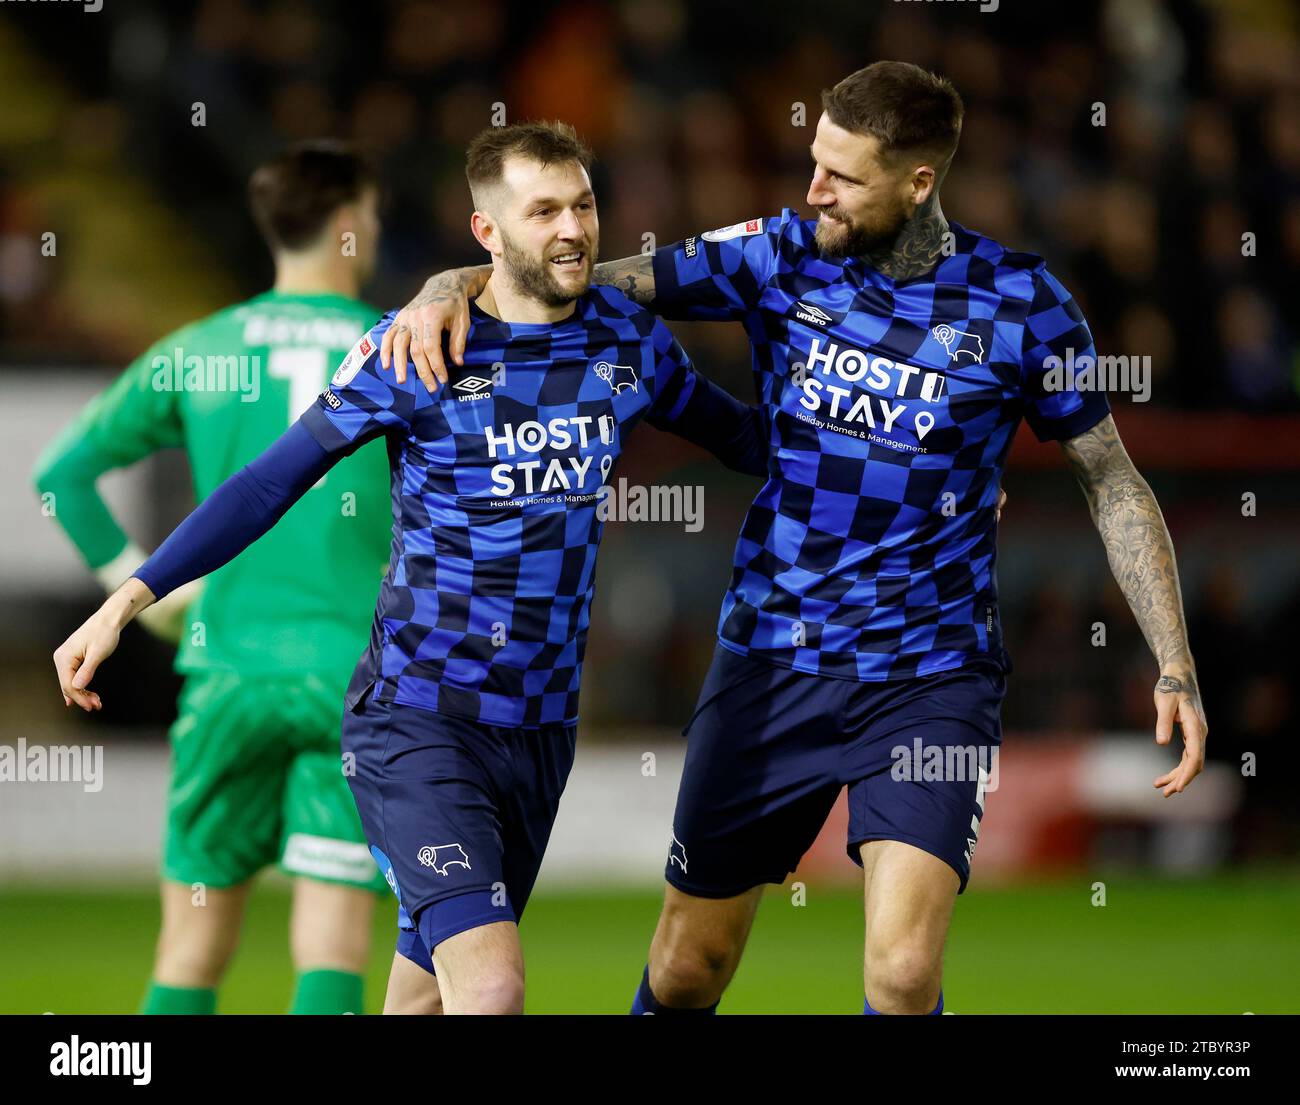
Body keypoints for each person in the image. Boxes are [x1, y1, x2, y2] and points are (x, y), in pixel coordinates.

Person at [380, 62, 1208, 1015]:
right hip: (771, 663)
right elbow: (575, 282)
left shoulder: (1024, 305)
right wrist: (450, 281)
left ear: (919, 182)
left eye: (842, 176)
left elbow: (1112, 478)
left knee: (902, 975)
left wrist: (1174, 663)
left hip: (929, 676)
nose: (813, 189)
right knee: (690, 966)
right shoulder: (779, 252)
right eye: (814, 162)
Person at [52, 120, 768, 1015]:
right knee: (493, 986)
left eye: (583, 204)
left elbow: (742, 435)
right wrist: (126, 600)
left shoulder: (627, 339)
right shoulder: (416, 349)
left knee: (422, 997)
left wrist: (921, 453)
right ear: (487, 233)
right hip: (419, 719)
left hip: (540, 728)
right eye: (542, 209)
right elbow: (266, 484)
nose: (573, 228)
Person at [33, 140, 394, 1014]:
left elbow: (62, 474)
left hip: (226, 665)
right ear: (348, 224)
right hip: (348, 674)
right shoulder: (398, 347)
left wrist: (139, 593)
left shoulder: (202, 346)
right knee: (331, 943)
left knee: (192, 946)